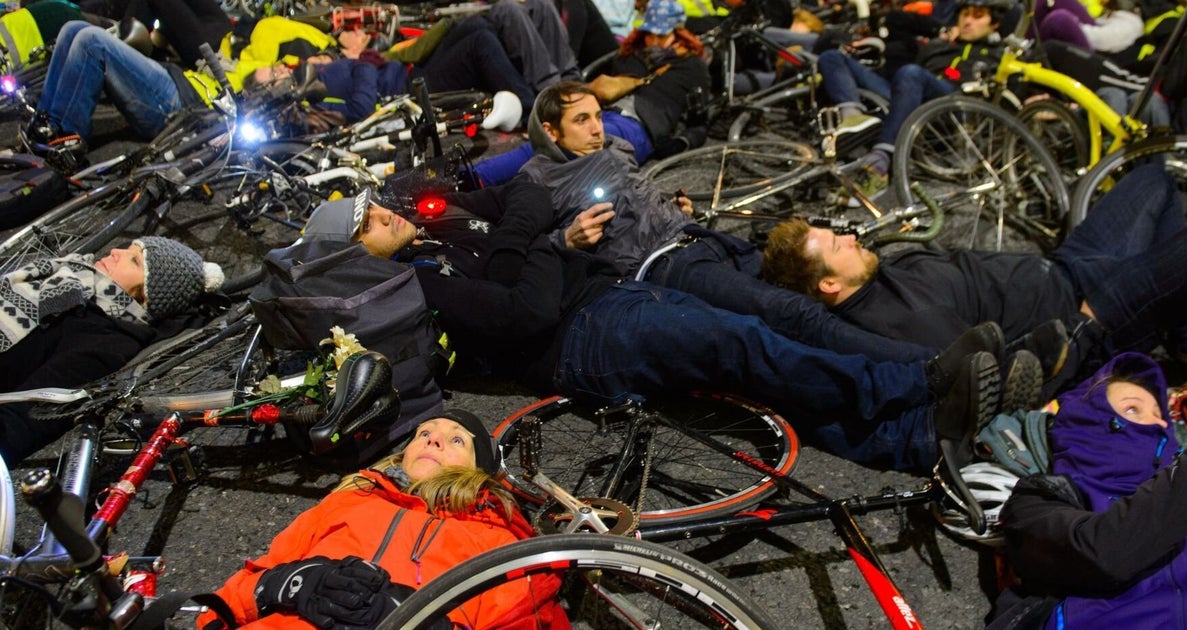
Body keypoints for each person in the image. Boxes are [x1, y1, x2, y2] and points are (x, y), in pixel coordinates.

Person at [292, 177, 1010, 471]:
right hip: (587, 341)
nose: (383, 213)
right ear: (356, 254)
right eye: (365, 224)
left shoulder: (440, 229)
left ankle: (916, 440)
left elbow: (527, 191)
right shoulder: (421, 281)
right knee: (745, 344)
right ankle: (917, 383)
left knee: (760, 376)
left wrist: (526, 240)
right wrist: (539, 243)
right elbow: (526, 310)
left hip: (611, 297)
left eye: (373, 205)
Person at [518, 80, 939, 365]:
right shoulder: (536, 178)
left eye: (598, 115)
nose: (597, 128)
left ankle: (925, 333)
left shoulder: (615, 146)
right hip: (665, 264)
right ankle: (925, 365)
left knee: (811, 280)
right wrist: (566, 239)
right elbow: (519, 250)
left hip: (697, 236)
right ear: (551, 132)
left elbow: (634, 196)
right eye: (582, 120)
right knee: (791, 312)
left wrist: (669, 206)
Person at [760, 163, 1187, 392]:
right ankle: (1185, 329)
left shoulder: (876, 275)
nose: (851, 237)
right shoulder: (902, 320)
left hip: (1071, 263)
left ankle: (1186, 333)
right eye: (837, 246)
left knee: (1154, 178)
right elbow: (1002, 377)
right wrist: (1083, 327)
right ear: (829, 284)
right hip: (1095, 308)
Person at [200, 409, 567, 629]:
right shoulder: (350, 500)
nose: (434, 440)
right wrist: (288, 583)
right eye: (425, 432)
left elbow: (529, 619)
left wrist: (428, 623)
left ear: (480, 470)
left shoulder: (499, 538)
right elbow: (227, 603)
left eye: (457, 440)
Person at [991, 351, 1187, 629]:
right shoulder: (1041, 499)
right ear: (1088, 424)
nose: (1161, 425)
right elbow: (1105, 553)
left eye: (1161, 416)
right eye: (1132, 409)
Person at [0, 237, 224, 464]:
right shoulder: (72, 277)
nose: (116, 251)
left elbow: (28, 417)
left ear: (145, 296)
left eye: (134, 261)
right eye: (127, 249)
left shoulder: (107, 340)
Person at [472, 0, 709, 186]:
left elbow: (700, 123)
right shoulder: (631, 55)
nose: (654, 40)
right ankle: (474, 178)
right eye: (650, 33)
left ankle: (474, 177)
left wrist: (682, 142)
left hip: (639, 125)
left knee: (561, 149)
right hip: (602, 113)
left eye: (662, 35)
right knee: (551, 144)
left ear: (679, 33)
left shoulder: (691, 66)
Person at [815, 0, 1007, 192]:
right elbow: (895, 19)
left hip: (953, 103)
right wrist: (940, 31)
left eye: (977, 16)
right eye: (965, 14)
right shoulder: (938, 44)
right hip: (907, 95)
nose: (968, 21)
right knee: (831, 57)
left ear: (995, 24)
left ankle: (882, 157)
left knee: (911, 72)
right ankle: (853, 120)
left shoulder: (999, 54)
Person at [246, 18, 538, 124]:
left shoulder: (310, 73)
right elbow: (361, 108)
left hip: (409, 70)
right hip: (410, 89)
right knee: (480, 42)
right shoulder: (311, 101)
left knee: (475, 24)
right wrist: (364, 63)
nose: (280, 68)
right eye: (273, 74)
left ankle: (526, 86)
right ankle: (531, 112)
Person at [23, 20, 235, 152]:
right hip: (183, 79)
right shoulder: (245, 40)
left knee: (91, 42)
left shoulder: (257, 57)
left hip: (190, 104)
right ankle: (45, 123)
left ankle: (65, 141)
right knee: (72, 28)